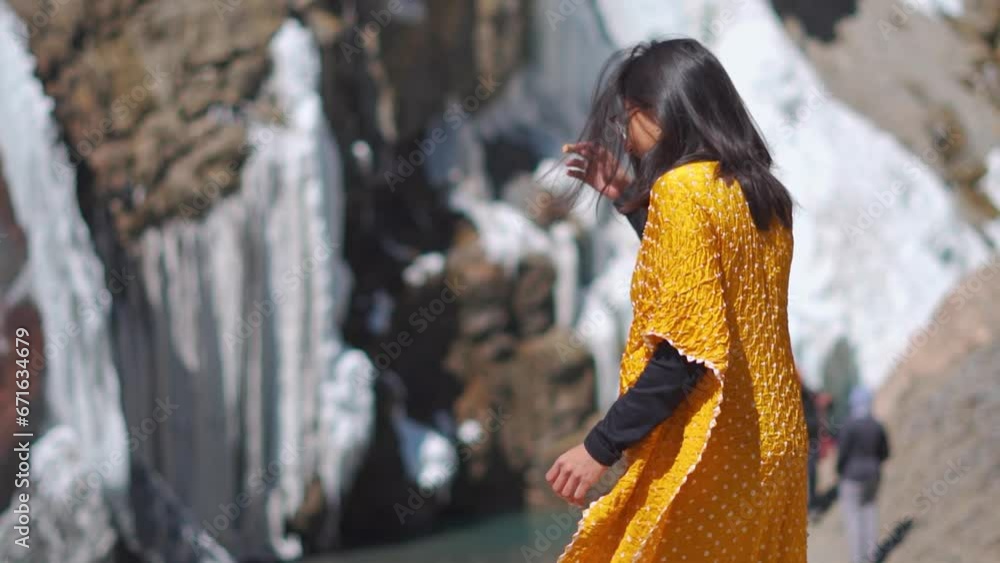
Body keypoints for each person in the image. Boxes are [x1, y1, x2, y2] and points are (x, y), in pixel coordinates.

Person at [544, 38, 806, 561]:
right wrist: (628, 202)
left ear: (655, 114)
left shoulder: (681, 191)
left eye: (626, 121)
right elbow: (706, 286)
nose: (628, 139)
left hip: (718, 448)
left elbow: (685, 352)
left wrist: (598, 447)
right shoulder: (758, 189)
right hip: (775, 441)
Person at [837, 386, 890, 563]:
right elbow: (885, 452)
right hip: (873, 475)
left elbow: (842, 454)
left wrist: (839, 471)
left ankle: (858, 559)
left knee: (854, 519)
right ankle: (871, 557)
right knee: (870, 514)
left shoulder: (848, 426)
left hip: (851, 478)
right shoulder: (877, 425)